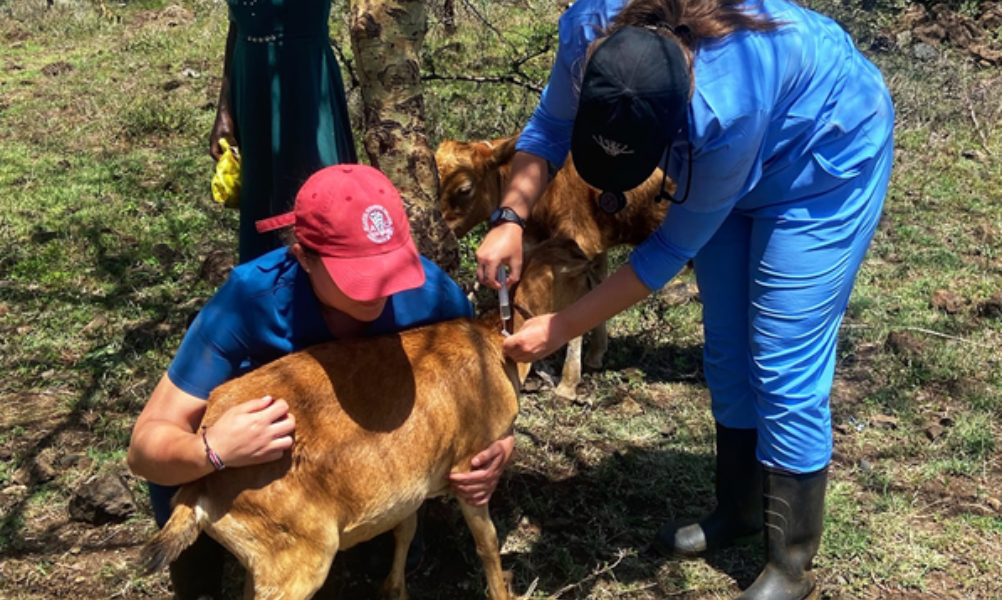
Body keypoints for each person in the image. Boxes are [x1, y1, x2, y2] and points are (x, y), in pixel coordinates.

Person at [476, 0, 894, 598]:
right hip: (719, 161)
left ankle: (789, 565)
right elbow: (547, 128)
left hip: (820, 158)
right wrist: (509, 216)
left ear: (675, 123)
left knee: (781, 358)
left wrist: (561, 326)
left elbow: (666, 251)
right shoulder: (587, 30)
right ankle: (740, 510)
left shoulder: (730, 100)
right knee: (725, 346)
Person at [129, 164, 515, 599]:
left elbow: (477, 387)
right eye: (358, 276)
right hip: (260, 471)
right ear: (302, 255)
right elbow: (146, 448)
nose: (380, 290)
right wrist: (213, 450)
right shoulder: (249, 302)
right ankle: (202, 578)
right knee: (181, 483)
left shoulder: (430, 294)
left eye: (391, 267)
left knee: (376, 557)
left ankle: (379, 554)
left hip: (373, 475)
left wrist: (499, 446)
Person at [209, 0, 357, 264]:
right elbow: (237, 26)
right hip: (251, 80)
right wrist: (224, 108)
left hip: (306, 81)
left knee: (318, 191)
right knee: (261, 194)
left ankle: (330, 287)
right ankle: (268, 289)